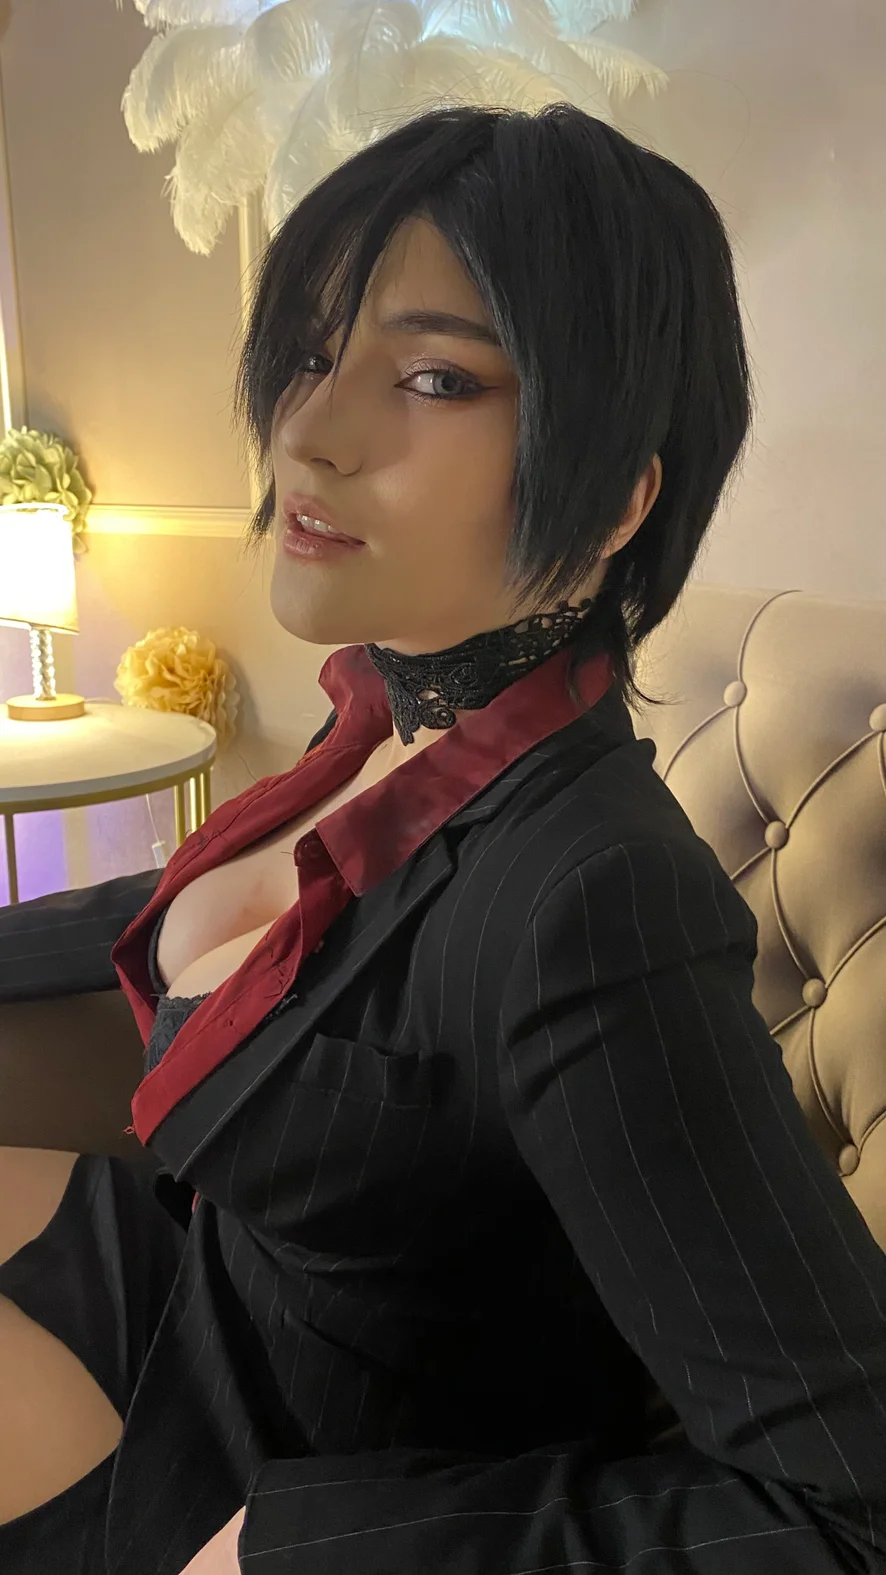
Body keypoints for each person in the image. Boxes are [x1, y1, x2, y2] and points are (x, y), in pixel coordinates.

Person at [0, 101, 884, 1575]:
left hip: (278, 1473)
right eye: (309, 355)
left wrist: (306, 1549)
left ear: (615, 496)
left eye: (433, 377)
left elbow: (845, 1506)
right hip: (195, 1290)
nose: (307, 432)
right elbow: (267, 934)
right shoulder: (377, 720)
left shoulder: (594, 892)